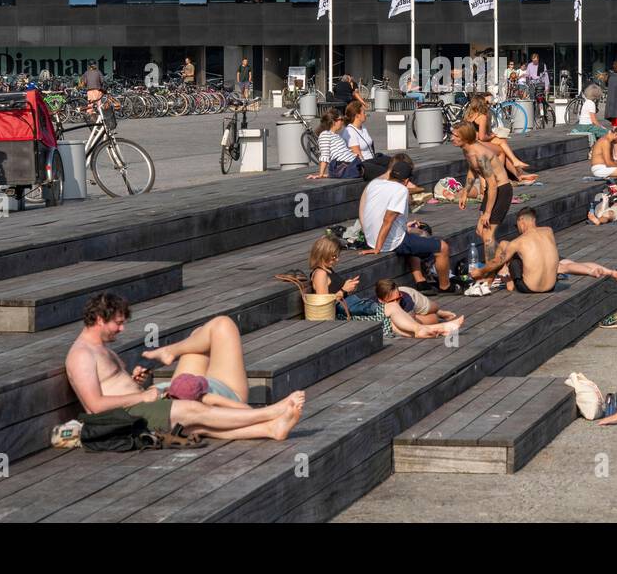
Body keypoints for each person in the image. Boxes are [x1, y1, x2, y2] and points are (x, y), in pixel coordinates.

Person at [65, 292, 304, 442]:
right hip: (125, 416)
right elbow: (95, 406)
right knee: (194, 411)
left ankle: (271, 429)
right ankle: (268, 413)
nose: (122, 329)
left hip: (139, 405)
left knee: (197, 424)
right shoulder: (81, 355)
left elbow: (112, 386)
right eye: (117, 324)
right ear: (98, 319)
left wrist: (136, 384)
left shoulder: (102, 349)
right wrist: (144, 397)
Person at [469, 206, 617, 294]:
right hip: (551, 285)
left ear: (522, 221)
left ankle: (488, 283)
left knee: (504, 245)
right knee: (565, 264)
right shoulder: (548, 231)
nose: (517, 229)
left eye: (517, 225)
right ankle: (610, 272)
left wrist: (481, 272)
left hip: (529, 287)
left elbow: (498, 261)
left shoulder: (517, 242)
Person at [359, 158, 451, 291]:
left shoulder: (375, 184)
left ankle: (420, 281)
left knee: (412, 238)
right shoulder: (401, 190)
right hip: (387, 242)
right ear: (407, 180)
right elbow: (387, 220)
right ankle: (445, 286)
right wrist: (378, 248)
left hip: (371, 237)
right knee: (442, 247)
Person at [452, 121, 514, 258]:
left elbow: (492, 184)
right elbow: (472, 170)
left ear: (465, 137)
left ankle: (491, 274)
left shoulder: (480, 155)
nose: (452, 138)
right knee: (480, 231)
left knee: (488, 236)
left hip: (501, 191)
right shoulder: (467, 150)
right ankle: (504, 260)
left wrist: (487, 212)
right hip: (492, 191)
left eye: (456, 136)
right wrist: (465, 193)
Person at [464, 94, 535, 180]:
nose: (489, 104)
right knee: (501, 150)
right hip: (477, 144)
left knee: (501, 142)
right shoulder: (482, 116)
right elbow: (482, 137)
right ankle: (501, 176)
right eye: (486, 102)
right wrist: (492, 135)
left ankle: (518, 173)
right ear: (481, 103)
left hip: (469, 143)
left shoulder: (468, 115)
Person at [308, 235, 378, 317]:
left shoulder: (327, 270)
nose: (337, 259)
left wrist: (349, 287)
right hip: (342, 310)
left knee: (387, 309)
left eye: (337, 256)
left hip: (350, 305)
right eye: (334, 256)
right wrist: (343, 290)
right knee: (386, 309)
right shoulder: (320, 274)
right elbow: (324, 305)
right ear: (324, 254)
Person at [374, 279, 464, 337]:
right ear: (381, 300)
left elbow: (411, 323)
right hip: (407, 312)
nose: (396, 302)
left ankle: (440, 312)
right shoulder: (376, 304)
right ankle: (441, 324)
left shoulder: (405, 299)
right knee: (433, 318)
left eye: (398, 298)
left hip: (413, 297)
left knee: (433, 308)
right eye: (392, 301)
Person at [307, 108, 361, 180]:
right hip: (350, 166)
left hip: (354, 163)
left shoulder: (336, 135)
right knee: (377, 167)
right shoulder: (325, 134)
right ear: (333, 122)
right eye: (341, 119)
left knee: (378, 160)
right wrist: (321, 174)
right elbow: (324, 155)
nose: (342, 122)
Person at [343, 100, 391, 181]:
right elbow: (357, 155)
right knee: (387, 171)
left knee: (394, 162)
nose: (366, 115)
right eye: (364, 112)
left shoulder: (363, 127)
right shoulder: (350, 131)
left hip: (372, 159)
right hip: (363, 164)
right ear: (357, 115)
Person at [590, 125, 617, 191]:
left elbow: (612, 160)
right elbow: (608, 162)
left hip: (605, 167)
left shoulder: (610, 142)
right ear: (616, 134)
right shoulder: (606, 141)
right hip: (599, 169)